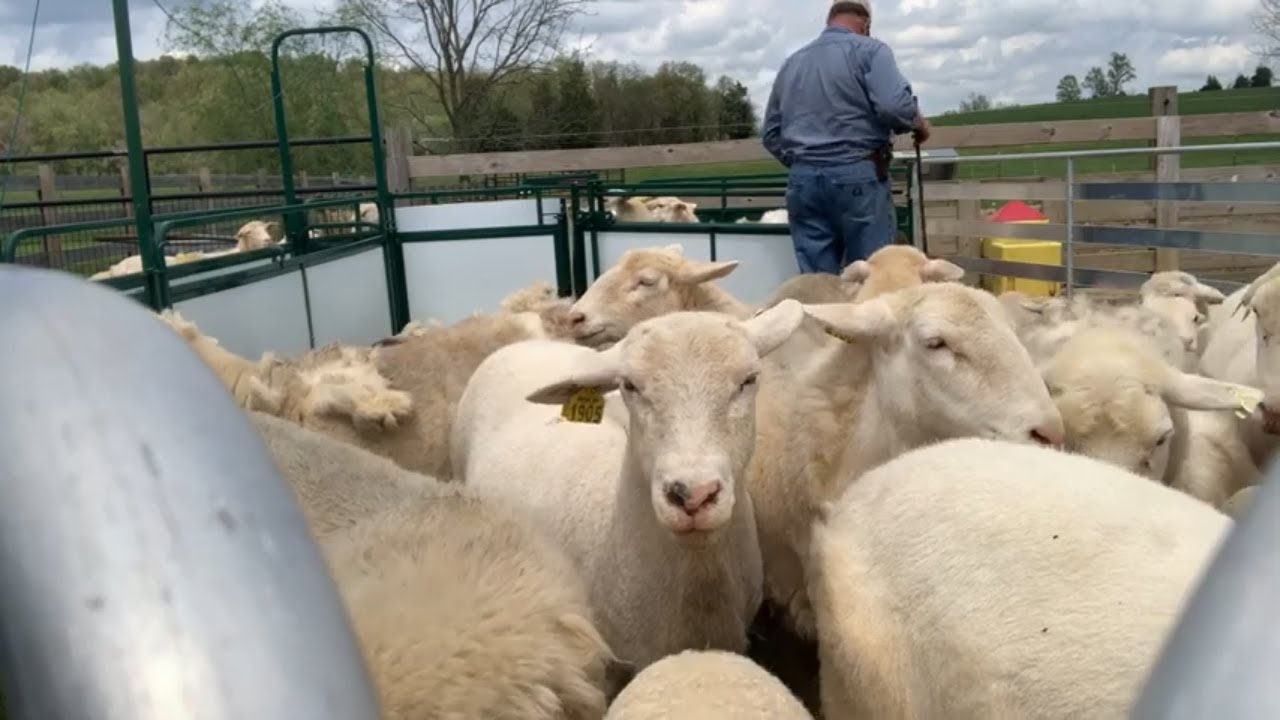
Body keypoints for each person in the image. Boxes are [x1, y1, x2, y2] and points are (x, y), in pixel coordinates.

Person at [762, 1, 931, 275]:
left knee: (818, 282)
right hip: (858, 174)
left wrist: (806, 162)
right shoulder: (871, 50)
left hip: (803, 181)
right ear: (866, 24)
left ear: (830, 19)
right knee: (873, 274)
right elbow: (893, 107)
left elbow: (771, 134)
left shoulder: (792, 63)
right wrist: (917, 122)